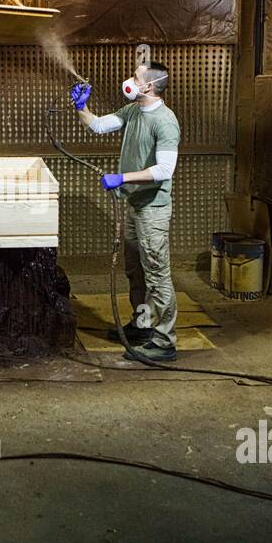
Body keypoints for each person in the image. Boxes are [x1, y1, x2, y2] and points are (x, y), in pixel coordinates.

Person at [71, 61, 181, 363]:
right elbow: (98, 125)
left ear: (149, 86)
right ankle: (143, 324)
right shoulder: (132, 111)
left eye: (135, 76)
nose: (129, 80)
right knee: (135, 270)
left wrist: (122, 178)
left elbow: (164, 169)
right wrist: (82, 107)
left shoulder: (165, 121)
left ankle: (165, 340)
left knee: (158, 274)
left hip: (153, 210)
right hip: (134, 205)